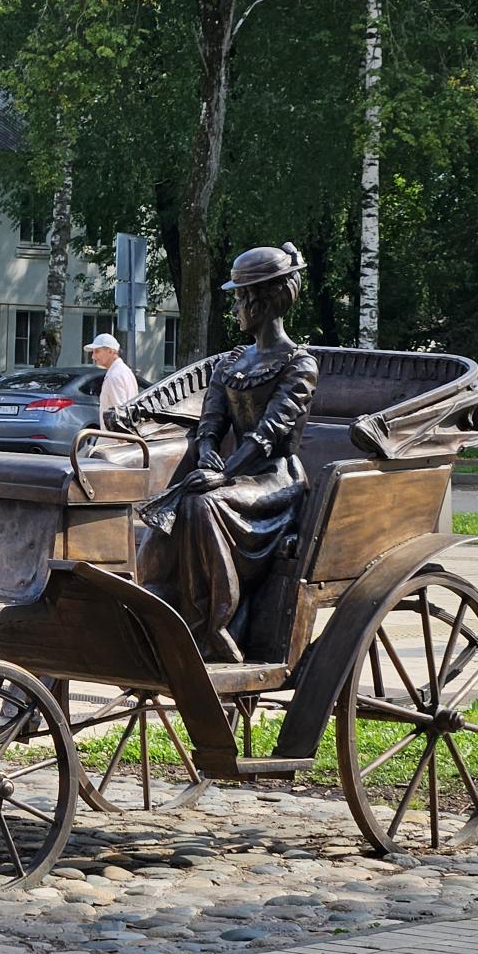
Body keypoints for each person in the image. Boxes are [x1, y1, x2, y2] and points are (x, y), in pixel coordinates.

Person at [136, 243, 318, 663]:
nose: (235, 306)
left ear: (263, 300)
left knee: (203, 504)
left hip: (276, 480)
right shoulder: (231, 362)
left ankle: (216, 621)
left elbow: (270, 434)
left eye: (240, 296)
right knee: (175, 507)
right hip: (235, 476)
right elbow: (210, 425)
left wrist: (222, 475)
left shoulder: (299, 364)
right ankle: (159, 609)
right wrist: (206, 459)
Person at [89, 332, 139, 426]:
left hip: (114, 438)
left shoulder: (115, 376)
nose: (93, 357)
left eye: (97, 351)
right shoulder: (124, 371)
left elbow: (120, 416)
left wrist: (122, 440)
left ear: (111, 351)